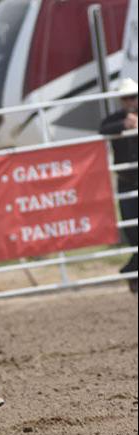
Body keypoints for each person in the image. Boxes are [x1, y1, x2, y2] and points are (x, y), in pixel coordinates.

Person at [99, 77, 138, 293]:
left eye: (133, 97)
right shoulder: (116, 120)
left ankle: (130, 272)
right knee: (132, 232)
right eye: (126, 98)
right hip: (126, 182)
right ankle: (132, 272)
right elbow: (102, 128)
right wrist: (123, 125)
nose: (130, 101)